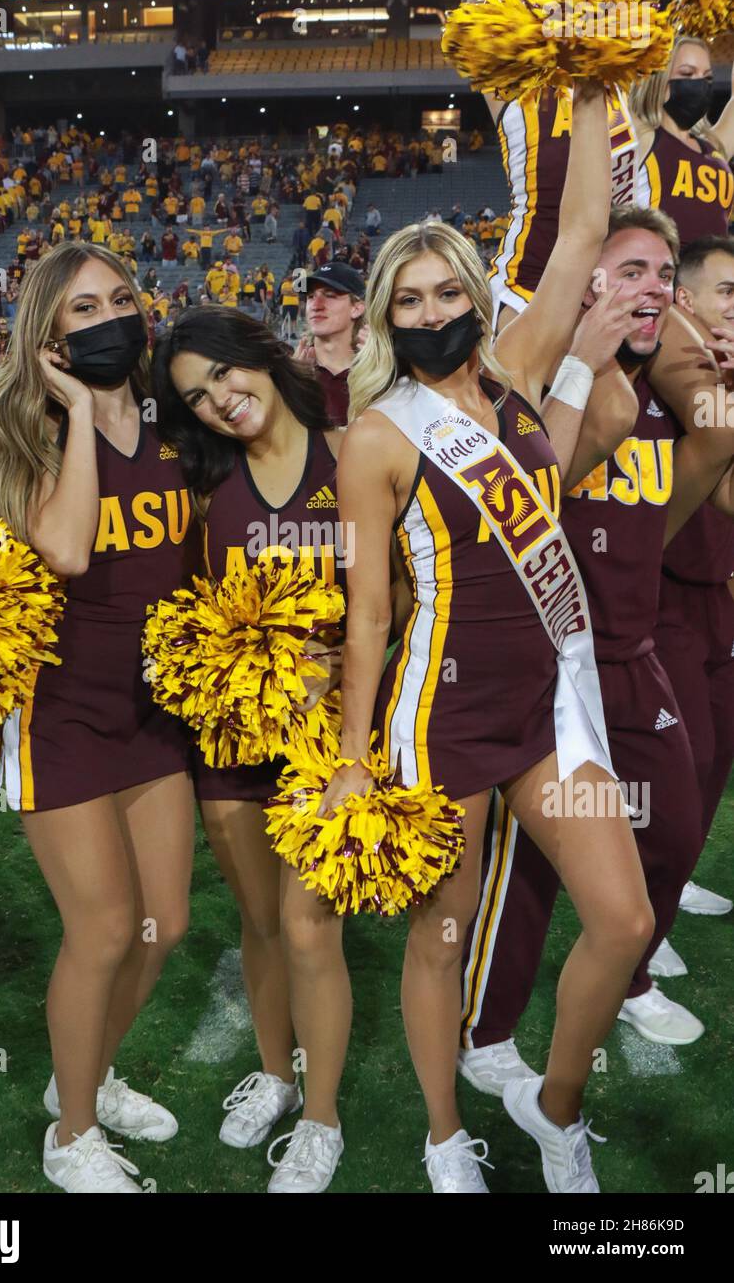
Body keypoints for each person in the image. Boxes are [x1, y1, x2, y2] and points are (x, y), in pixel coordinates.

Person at [320, 84, 656, 1194]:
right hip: (440, 719)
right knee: (442, 938)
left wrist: (594, 77)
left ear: (474, 293)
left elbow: (572, 233)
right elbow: (369, 615)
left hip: (541, 711)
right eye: (403, 301)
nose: (426, 315)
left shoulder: (515, 376)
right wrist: (354, 758)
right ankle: (438, 1132)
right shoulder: (375, 437)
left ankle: (552, 1110)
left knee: (621, 919)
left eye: (442, 291)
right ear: (383, 318)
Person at [460, 207, 730, 1095]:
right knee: (527, 865)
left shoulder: (672, 392)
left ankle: (628, 970)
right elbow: (537, 493)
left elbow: (710, 449)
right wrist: (590, 351)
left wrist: (679, 320)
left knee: (678, 823)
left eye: (666, 272)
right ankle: (487, 1029)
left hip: (635, 648)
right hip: (552, 664)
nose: (651, 286)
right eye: (631, 270)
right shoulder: (542, 389)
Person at [0, 243, 196, 1193]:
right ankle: (73, 1136)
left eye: (122, 300)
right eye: (82, 309)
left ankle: (85, 1077)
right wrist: (79, 415)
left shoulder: (174, 418)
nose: (109, 320)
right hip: (57, 711)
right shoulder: (15, 428)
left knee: (164, 925)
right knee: (102, 931)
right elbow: (62, 548)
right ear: (48, 338)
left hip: (153, 713)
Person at [152, 306, 350, 1193]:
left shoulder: (352, 449)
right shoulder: (203, 479)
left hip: (325, 734)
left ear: (261, 358)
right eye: (197, 395)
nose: (220, 400)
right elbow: (187, 606)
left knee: (312, 931)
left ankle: (323, 1119)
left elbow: (403, 587)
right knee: (262, 922)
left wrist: (339, 661)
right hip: (232, 736)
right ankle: (276, 1074)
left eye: (226, 374)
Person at [472, 0, 682, 330]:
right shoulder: (511, 55)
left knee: (700, 379)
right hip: (534, 287)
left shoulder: (611, 38)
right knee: (526, 401)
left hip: (622, 285)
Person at [654, 236, 734, 914]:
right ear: (685, 301)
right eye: (728, 294)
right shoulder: (667, 366)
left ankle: (672, 885)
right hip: (663, 591)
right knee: (686, 758)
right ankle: (643, 924)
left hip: (719, 587)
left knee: (719, 748)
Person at [631, 39, 734, 244]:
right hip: (662, 271)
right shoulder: (642, 137)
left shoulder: (713, 147)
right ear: (658, 80)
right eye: (687, 74)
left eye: (707, 77)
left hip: (713, 273)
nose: (699, 84)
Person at [295, 263, 366, 425]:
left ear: (356, 308)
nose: (316, 305)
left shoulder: (382, 374)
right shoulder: (289, 376)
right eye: (311, 296)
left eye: (330, 295)